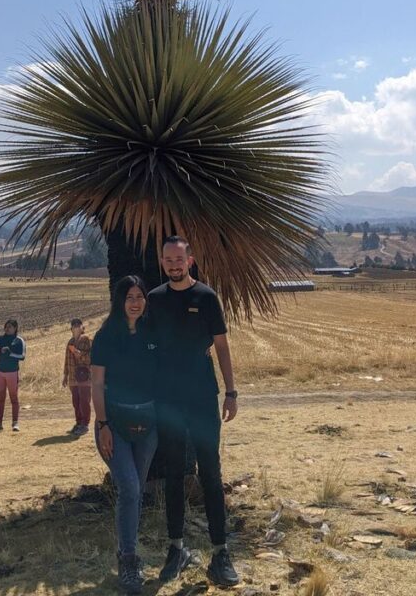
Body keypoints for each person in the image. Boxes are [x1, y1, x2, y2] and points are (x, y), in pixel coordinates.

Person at [147, 237, 240, 588]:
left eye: (179, 258)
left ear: (191, 260)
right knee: (173, 473)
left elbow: (222, 349)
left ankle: (221, 552)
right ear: (162, 261)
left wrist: (231, 392)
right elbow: (147, 347)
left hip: (202, 396)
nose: (174, 264)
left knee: (210, 473)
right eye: (168, 259)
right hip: (167, 398)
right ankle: (176, 548)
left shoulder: (206, 297)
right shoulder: (154, 300)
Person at [91, 276, 158, 595]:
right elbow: (96, 384)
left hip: (148, 425)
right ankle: (128, 560)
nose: (135, 301)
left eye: (140, 296)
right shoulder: (106, 337)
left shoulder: (151, 333)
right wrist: (102, 424)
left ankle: (126, 549)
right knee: (129, 487)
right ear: (119, 301)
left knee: (136, 490)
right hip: (114, 425)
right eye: (129, 296)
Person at [62, 317, 91, 436]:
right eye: (74, 325)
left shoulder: (87, 340)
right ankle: (78, 423)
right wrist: (65, 375)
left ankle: (85, 424)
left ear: (82, 327)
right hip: (73, 377)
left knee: (84, 401)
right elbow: (66, 360)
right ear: (71, 329)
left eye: (78, 325)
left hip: (85, 376)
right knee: (76, 401)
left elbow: (91, 357)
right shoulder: (70, 342)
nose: (76, 327)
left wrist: (80, 355)